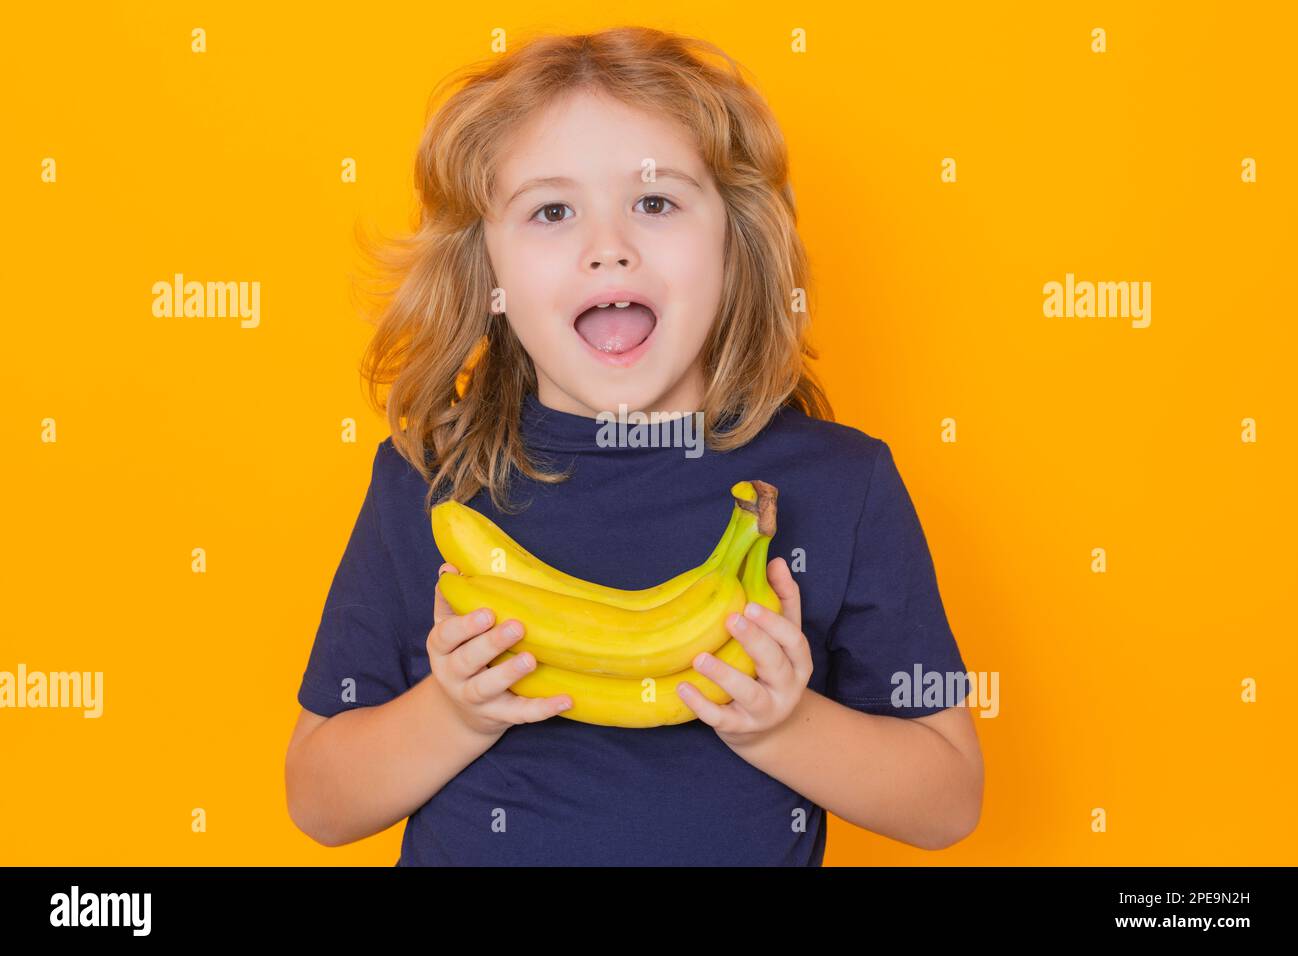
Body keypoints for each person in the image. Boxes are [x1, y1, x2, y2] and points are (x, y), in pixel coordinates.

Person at [284, 25, 983, 865]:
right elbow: (318, 801)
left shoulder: (841, 486)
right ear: (490, 274)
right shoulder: (431, 485)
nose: (607, 246)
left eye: (656, 202)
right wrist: (454, 711)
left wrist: (785, 725)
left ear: (735, 243)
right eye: (551, 210)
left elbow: (948, 801)